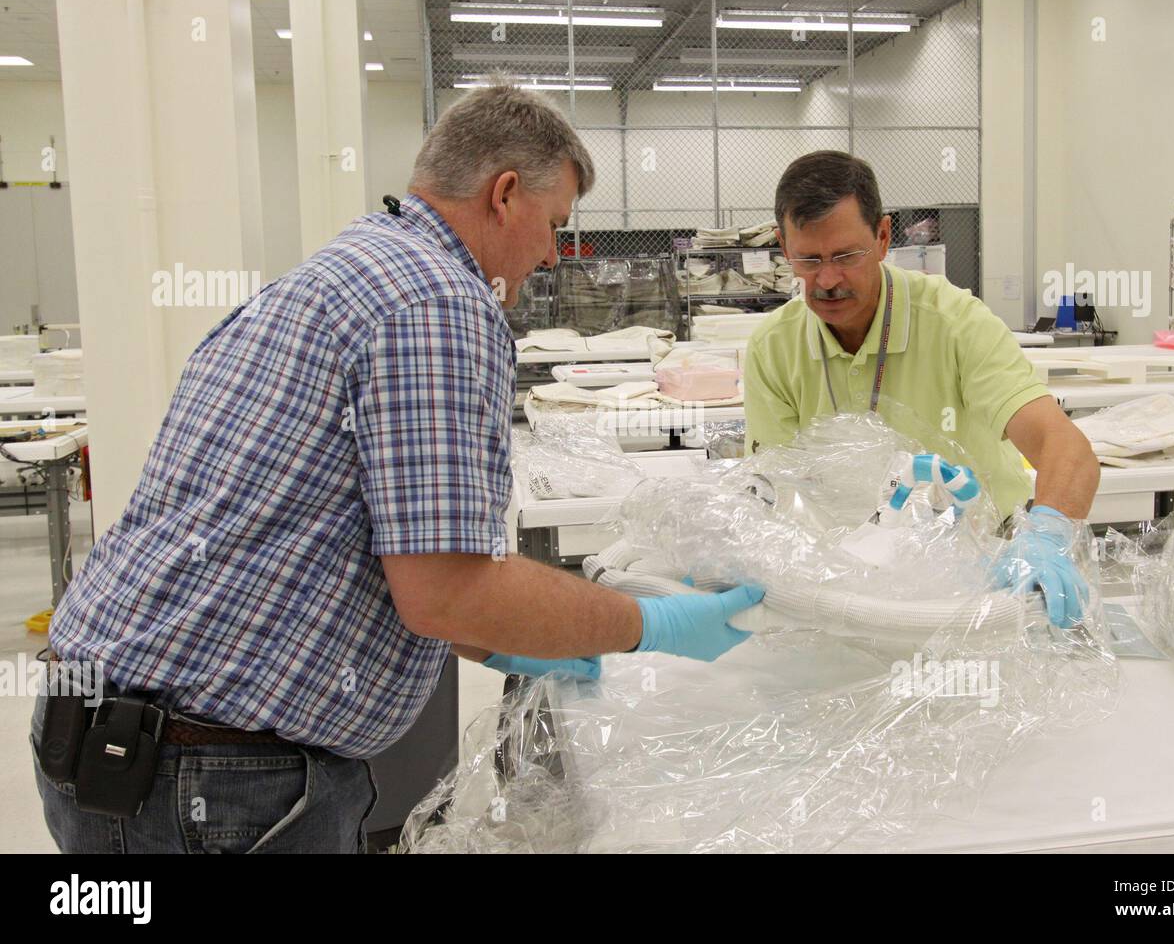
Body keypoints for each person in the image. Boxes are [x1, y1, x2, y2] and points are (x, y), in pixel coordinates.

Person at [32, 82, 761, 853]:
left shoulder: (345, 271)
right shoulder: (438, 305)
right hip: (213, 778)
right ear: (505, 194)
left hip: (111, 744)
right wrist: (650, 624)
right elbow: (447, 590)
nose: (554, 253)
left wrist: (512, 635)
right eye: (554, 225)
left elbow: (335, 537)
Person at [744, 151, 1099, 627]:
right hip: (849, 579)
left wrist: (1048, 536)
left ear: (884, 236)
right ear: (784, 246)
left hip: (983, 567)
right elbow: (773, 490)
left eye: (846, 256)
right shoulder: (773, 348)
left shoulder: (955, 322)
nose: (826, 281)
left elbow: (1064, 446)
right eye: (808, 260)